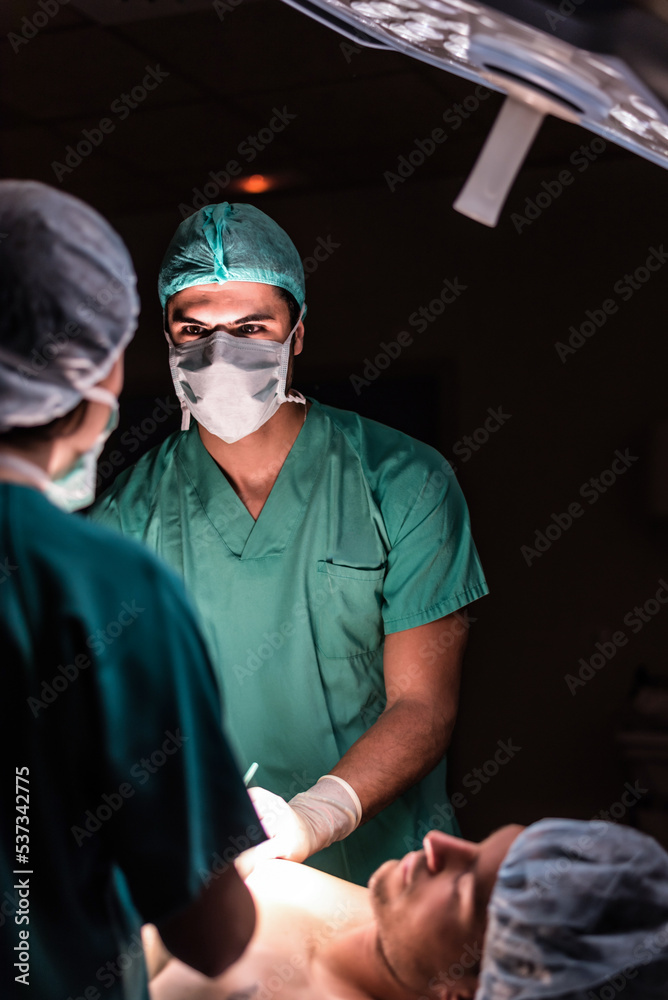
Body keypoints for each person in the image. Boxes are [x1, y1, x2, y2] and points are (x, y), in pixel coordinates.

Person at [90, 201, 489, 885]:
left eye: (251, 328)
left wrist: (311, 817)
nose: (220, 354)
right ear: (167, 339)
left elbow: (423, 705)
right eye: (195, 329)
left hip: (387, 884)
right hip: (221, 875)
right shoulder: (131, 514)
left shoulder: (402, 483)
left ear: (297, 335)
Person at [0, 180, 265, 1000]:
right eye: (192, 329)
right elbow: (211, 931)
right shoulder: (103, 587)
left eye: (250, 328)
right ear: (103, 363)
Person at [145, 818, 668, 1000]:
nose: (440, 843)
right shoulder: (326, 901)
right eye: (478, 845)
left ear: (466, 993)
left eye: (464, 889)